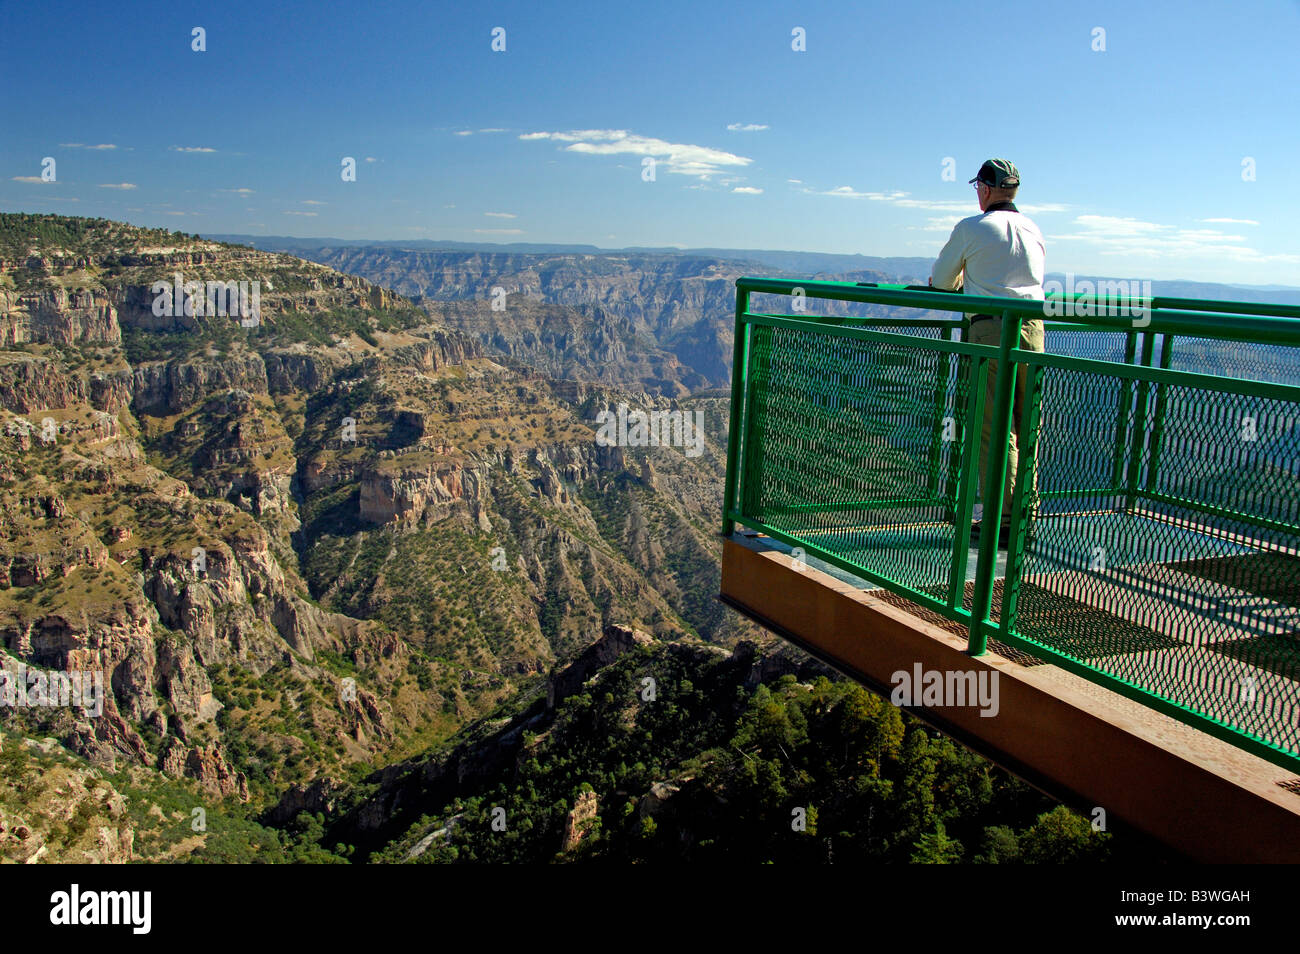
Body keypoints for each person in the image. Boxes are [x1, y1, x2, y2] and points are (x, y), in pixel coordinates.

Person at [929, 158, 1046, 548]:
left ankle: (1002, 522)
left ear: (984, 189)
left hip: (991, 330)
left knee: (993, 429)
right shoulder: (1033, 227)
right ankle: (1026, 513)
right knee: (1027, 424)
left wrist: (963, 279)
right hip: (1034, 330)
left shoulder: (971, 228)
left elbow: (943, 282)